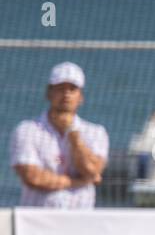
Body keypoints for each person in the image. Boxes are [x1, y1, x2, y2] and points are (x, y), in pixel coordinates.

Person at [9, 62, 108, 208]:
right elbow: (33, 177)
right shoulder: (27, 130)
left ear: (81, 96)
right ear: (49, 93)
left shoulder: (96, 132)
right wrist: (79, 182)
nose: (66, 94)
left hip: (81, 221)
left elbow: (92, 170)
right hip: (37, 222)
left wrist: (73, 135)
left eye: (72, 89)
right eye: (60, 89)